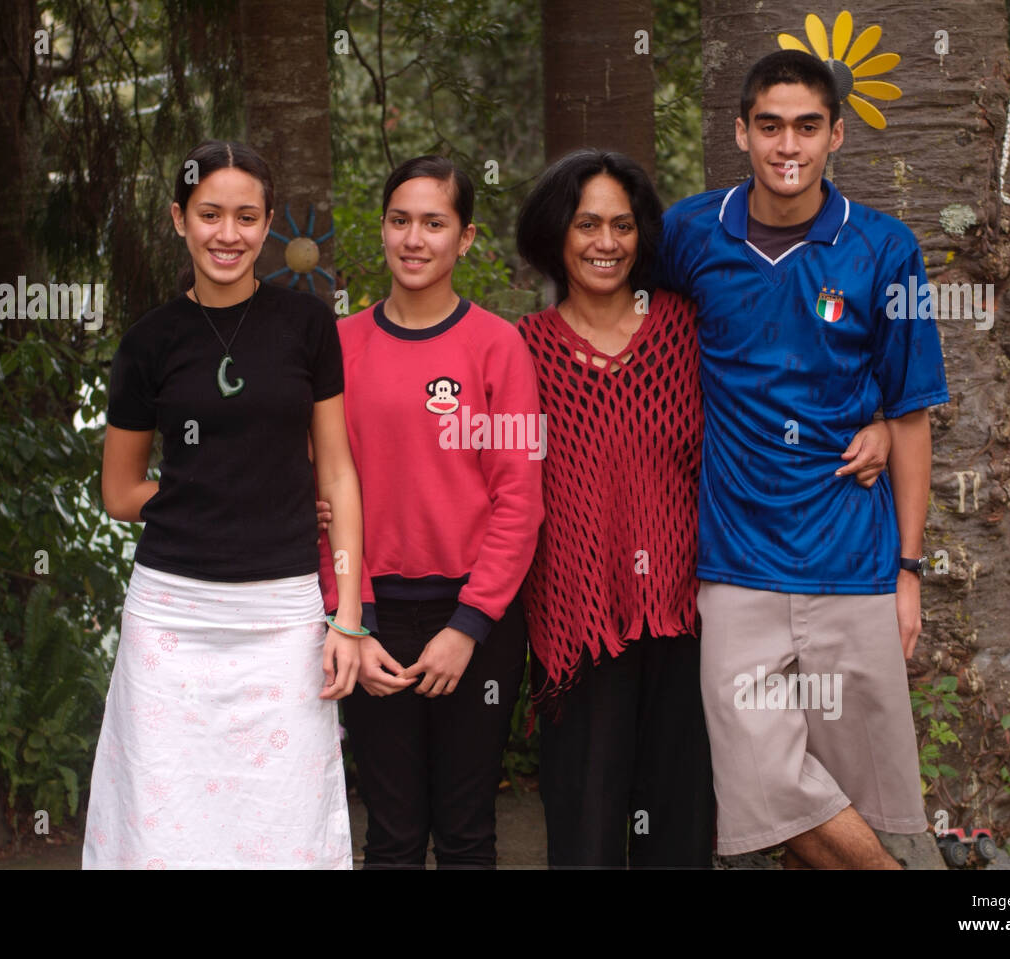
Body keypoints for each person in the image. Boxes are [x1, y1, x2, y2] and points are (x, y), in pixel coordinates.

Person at [514, 148, 893, 868]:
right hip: (575, 620)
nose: (605, 243)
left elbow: (792, 383)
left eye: (622, 225)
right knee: (583, 836)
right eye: (587, 223)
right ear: (556, 233)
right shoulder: (519, 350)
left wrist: (877, 420)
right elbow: (469, 469)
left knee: (681, 834)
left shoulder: (690, 328)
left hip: (692, 611)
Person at [659, 50, 950, 868]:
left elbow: (913, 412)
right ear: (741, 133)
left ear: (836, 136)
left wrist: (909, 570)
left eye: (807, 127)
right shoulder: (688, 233)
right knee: (762, 782)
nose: (788, 144)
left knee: (875, 800)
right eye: (771, 125)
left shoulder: (886, 249)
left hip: (854, 562)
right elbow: (621, 322)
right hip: (736, 561)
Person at [84, 139, 366, 870]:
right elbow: (120, 492)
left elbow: (336, 473)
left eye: (246, 216)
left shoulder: (308, 325)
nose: (228, 234)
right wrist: (215, 496)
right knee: (165, 819)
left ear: (269, 222)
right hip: (171, 617)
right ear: (180, 218)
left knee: (285, 820)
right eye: (210, 213)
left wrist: (347, 617)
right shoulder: (148, 342)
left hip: (282, 615)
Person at [319, 155, 544, 868]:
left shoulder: (497, 347)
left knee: (467, 826)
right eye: (400, 220)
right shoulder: (340, 346)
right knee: (390, 829)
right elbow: (323, 498)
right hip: (373, 619)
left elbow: (520, 500)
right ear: (383, 229)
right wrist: (350, 619)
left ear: (466, 239)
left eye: (434, 223)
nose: (414, 239)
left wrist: (469, 625)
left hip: (476, 620)